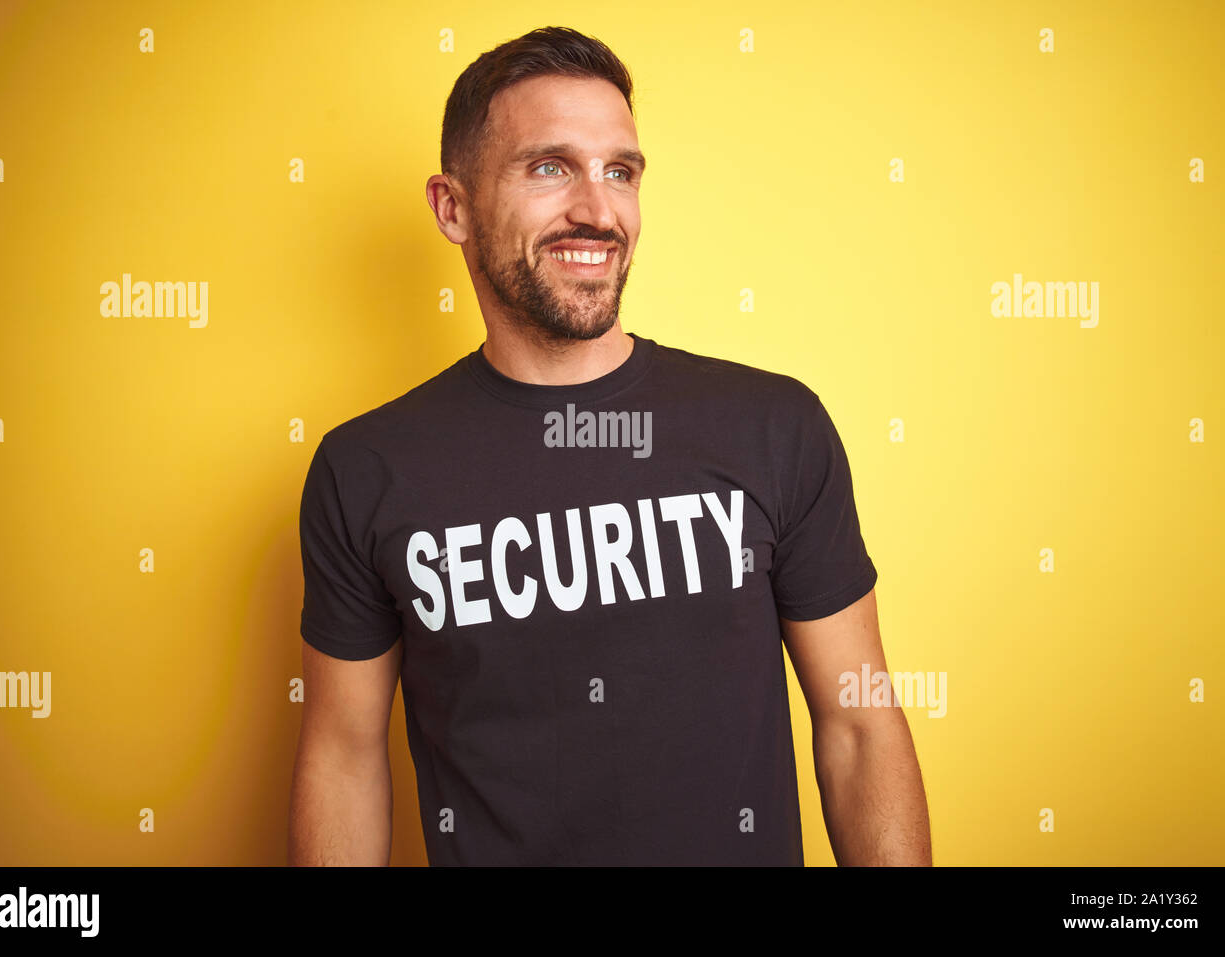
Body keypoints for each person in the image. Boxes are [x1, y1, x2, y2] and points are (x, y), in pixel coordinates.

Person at [288, 25, 930, 866]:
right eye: (550, 167)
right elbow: (342, 755)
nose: (597, 209)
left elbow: (858, 720)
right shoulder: (364, 470)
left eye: (619, 171)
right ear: (453, 207)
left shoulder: (774, 425)